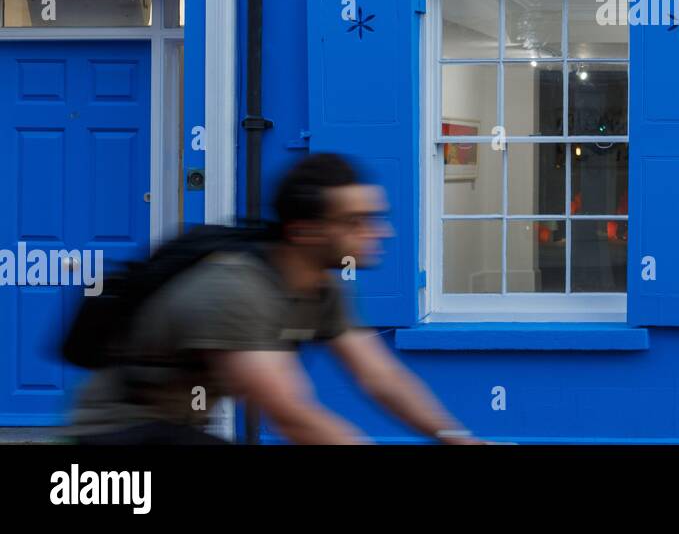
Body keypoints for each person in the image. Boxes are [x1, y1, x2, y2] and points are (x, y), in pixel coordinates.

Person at [66, 153, 479, 444]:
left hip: (179, 427)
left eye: (374, 218)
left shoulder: (322, 287)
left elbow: (381, 378)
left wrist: (455, 437)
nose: (379, 232)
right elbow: (291, 414)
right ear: (304, 231)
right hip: (119, 430)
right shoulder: (235, 288)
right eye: (357, 221)